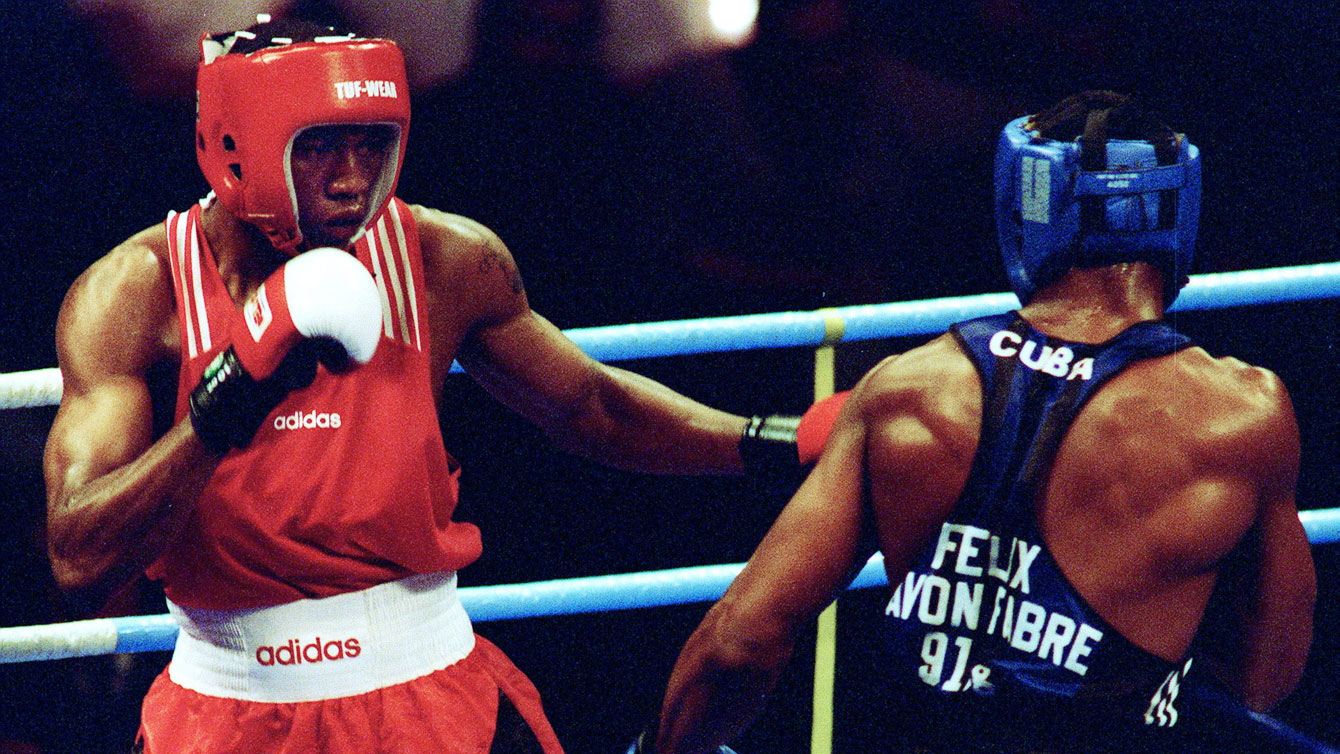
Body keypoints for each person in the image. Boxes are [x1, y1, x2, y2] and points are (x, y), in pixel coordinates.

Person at [41, 18, 804, 754]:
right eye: (320, 150)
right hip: (226, 710)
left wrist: (778, 441)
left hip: (431, 700)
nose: (352, 180)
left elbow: (592, 408)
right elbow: (78, 560)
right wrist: (223, 405)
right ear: (238, 145)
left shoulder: (443, 263)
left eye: (373, 146)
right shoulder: (137, 299)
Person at [632, 91, 1323, 754]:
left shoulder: (910, 390)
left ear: (1029, 204)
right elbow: (1263, 678)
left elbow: (740, 642)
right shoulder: (1240, 417)